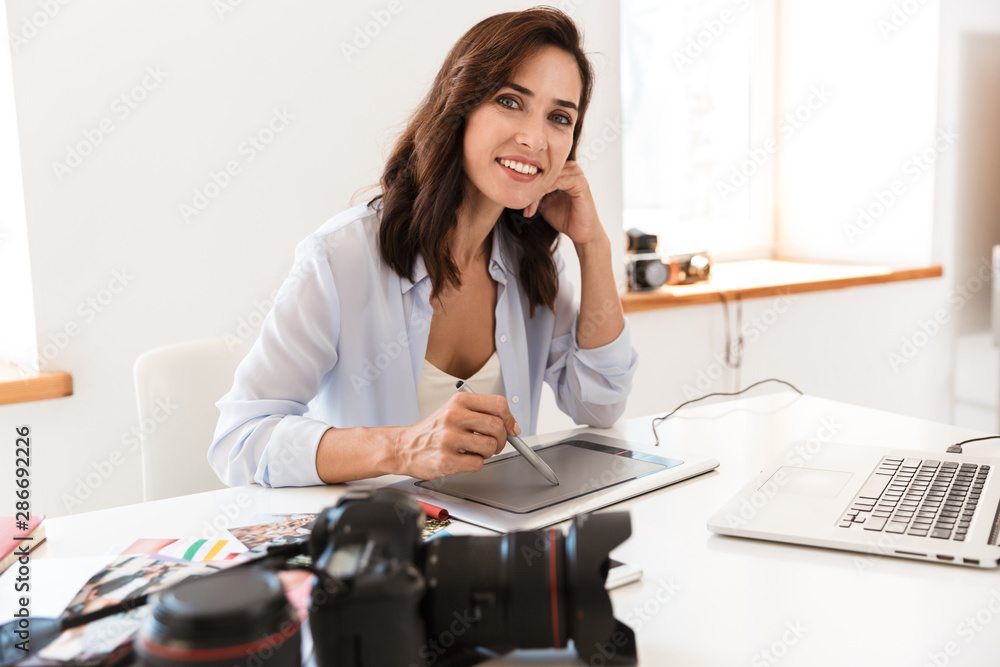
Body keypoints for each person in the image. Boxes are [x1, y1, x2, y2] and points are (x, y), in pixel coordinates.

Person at [209, 7, 638, 488]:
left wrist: (593, 243)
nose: (535, 139)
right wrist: (401, 447)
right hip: (381, 542)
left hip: (500, 539)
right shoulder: (341, 259)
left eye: (560, 118)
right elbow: (240, 442)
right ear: (461, 105)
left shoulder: (532, 262)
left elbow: (601, 402)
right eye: (511, 102)